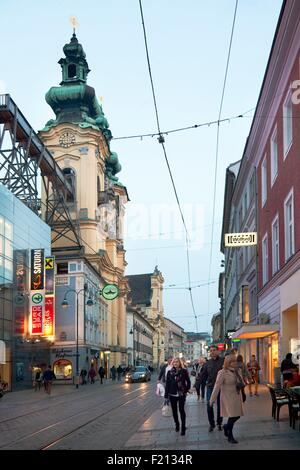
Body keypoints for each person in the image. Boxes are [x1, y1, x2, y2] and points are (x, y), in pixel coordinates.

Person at [210, 354, 244, 444]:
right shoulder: (222, 372)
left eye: (235, 361)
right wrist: (212, 399)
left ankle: (226, 427)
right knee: (232, 415)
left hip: (236, 396)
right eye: (232, 361)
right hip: (227, 397)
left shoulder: (238, 371)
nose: (235, 363)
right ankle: (230, 436)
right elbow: (217, 386)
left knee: (237, 415)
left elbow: (241, 382)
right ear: (228, 363)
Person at [164, 357, 191, 436]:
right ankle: (177, 424)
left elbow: (188, 381)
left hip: (181, 394)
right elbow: (167, 384)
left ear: (180, 363)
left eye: (177, 362)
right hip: (172, 394)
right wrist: (166, 396)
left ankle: (183, 427)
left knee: (182, 410)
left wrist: (186, 390)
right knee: (175, 411)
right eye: (174, 362)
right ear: (172, 363)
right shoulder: (169, 372)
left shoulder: (184, 371)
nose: (175, 363)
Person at [202, 345, 224, 432]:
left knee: (220, 406)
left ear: (218, 351)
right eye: (211, 351)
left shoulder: (223, 361)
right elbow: (203, 376)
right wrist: (195, 385)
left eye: (214, 350)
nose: (212, 352)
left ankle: (219, 423)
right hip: (210, 387)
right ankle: (211, 424)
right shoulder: (207, 363)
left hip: (220, 387)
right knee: (209, 405)